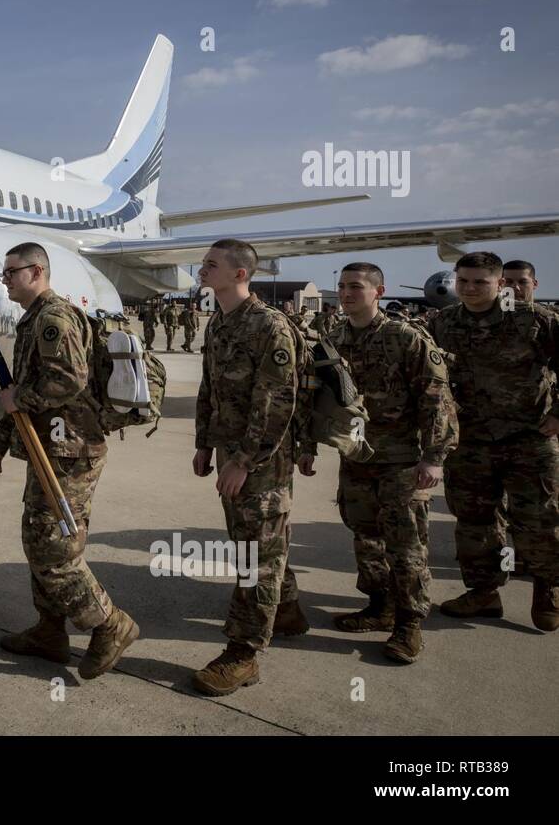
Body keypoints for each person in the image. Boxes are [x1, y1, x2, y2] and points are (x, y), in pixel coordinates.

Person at [0, 242, 140, 679]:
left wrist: (20, 400)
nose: (5, 280)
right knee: (39, 539)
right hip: (50, 447)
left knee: (55, 549)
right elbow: (20, 391)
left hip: (71, 450)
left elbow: (69, 380)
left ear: (35, 271)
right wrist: (1, 439)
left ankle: (111, 625)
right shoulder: (33, 319)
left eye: (11, 272)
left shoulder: (53, 318)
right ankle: (49, 632)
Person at [297, 263, 457, 663]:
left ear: (378, 291)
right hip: (356, 457)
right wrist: (308, 446)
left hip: (401, 460)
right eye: (342, 287)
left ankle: (409, 624)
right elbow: (317, 397)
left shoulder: (405, 337)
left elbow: (436, 400)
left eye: (356, 287)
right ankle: (379, 606)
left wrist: (434, 458)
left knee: (406, 547)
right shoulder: (332, 339)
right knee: (365, 537)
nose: (347, 293)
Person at [191, 239, 306, 696]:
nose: (202, 270)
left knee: (254, 556)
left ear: (241, 274)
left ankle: (244, 655)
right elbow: (209, 388)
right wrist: (204, 444)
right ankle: (290, 611)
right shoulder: (219, 322)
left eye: (211, 265)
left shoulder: (269, 327)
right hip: (229, 454)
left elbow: (277, 402)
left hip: (262, 460)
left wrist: (242, 460)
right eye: (203, 263)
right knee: (255, 544)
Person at [430, 252, 559, 631]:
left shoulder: (534, 321)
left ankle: (547, 588)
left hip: (529, 438)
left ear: (499, 283)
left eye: (480, 282)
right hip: (469, 441)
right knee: (475, 523)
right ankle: (484, 592)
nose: (469, 289)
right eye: (463, 281)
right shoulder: (444, 323)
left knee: (538, 521)